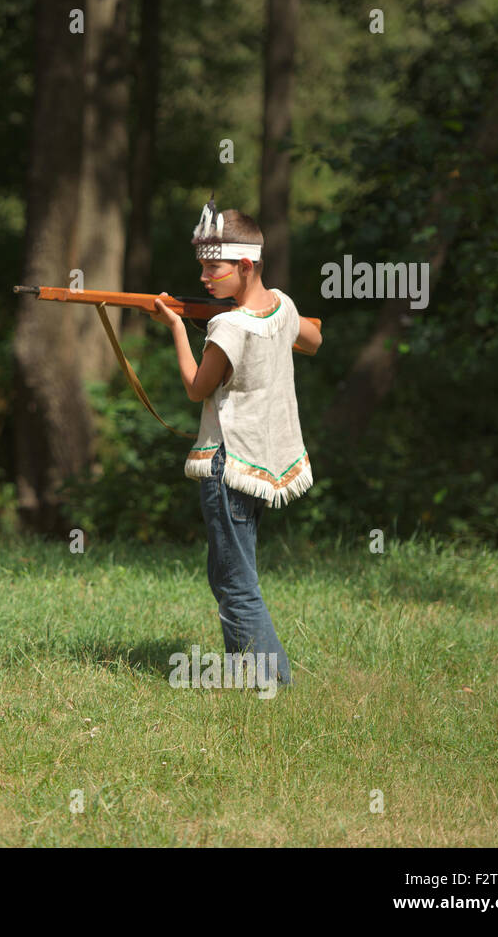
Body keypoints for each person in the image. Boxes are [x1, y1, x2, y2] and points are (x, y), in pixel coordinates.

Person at [149, 197, 321, 688]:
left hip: (229, 465)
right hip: (264, 460)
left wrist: (179, 327)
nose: (204, 277)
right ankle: (248, 675)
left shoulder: (227, 324)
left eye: (214, 267)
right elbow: (312, 340)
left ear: (245, 266)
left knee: (234, 582)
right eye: (202, 266)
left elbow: (196, 388)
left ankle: (270, 683)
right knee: (234, 573)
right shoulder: (282, 306)